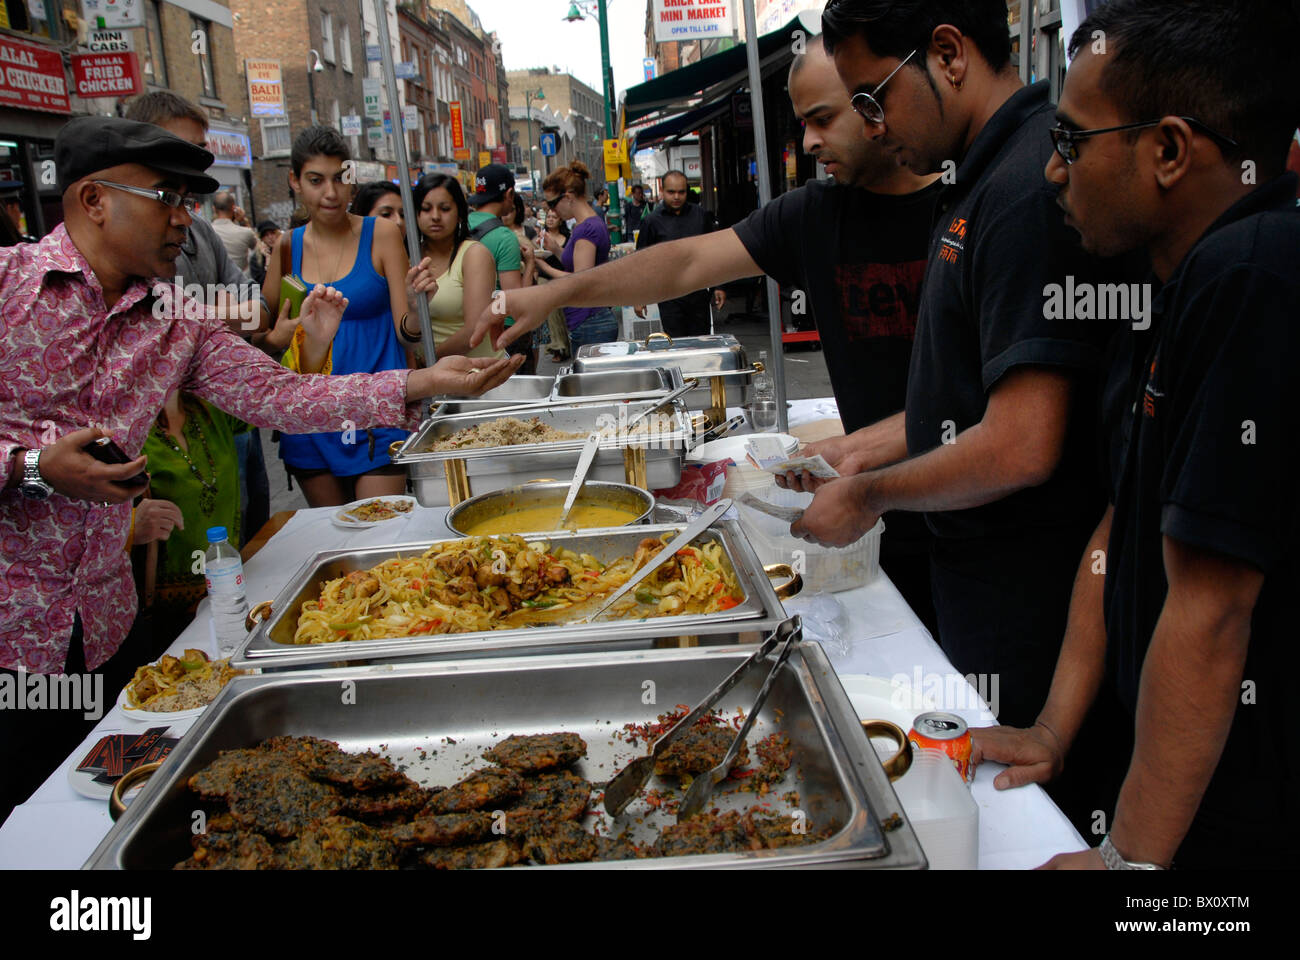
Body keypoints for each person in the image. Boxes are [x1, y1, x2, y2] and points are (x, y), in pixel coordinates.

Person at [0, 116, 521, 822]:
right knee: (19, 819)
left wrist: (424, 384)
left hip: (110, 628)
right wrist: (33, 468)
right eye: (167, 197)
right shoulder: (8, 291)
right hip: (14, 640)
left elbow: (283, 396)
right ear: (95, 199)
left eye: (189, 200)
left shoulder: (173, 319)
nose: (185, 220)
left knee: (106, 812)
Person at [972, 0, 1300, 870]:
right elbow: (1126, 524)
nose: (1051, 170)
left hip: (1241, 817)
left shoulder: (1254, 273)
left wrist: (1130, 866)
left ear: (1167, 150)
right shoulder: (1169, 278)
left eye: (1073, 141)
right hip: (1176, 788)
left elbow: (1213, 604)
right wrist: (1051, 727)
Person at [124, 92, 273, 547]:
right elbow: (154, 315)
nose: (197, 162)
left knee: (249, 535)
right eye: (183, 147)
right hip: (162, 440)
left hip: (227, 417)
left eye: (201, 151)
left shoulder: (199, 229)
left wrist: (192, 312)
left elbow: (259, 310)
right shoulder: (131, 243)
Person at [259, 127, 423, 507]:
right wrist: (276, 338)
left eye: (339, 179)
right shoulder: (286, 247)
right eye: (316, 180)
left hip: (377, 413)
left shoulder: (381, 234)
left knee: (379, 537)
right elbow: (264, 338)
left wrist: (415, 310)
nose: (330, 193)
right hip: (309, 419)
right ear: (295, 181)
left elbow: (406, 334)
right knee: (334, 544)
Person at [397, 173, 502, 361]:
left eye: (444, 209)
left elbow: (474, 330)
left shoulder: (474, 255)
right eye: (426, 209)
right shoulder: (407, 257)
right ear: (416, 214)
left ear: (459, 213)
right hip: (426, 379)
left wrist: (428, 362)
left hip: (475, 373)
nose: (435, 217)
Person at [633, 170, 726, 337]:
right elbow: (641, 260)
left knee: (701, 345)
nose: (676, 196)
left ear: (687, 191)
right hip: (669, 296)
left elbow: (714, 252)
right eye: (671, 192)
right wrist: (639, 296)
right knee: (676, 345)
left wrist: (719, 286)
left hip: (698, 293)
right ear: (663, 191)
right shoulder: (651, 221)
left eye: (681, 192)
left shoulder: (700, 216)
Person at [534, 161, 616, 351]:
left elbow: (580, 279)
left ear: (568, 197)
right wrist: (555, 249)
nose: (552, 211)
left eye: (553, 204)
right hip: (590, 318)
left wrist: (544, 268)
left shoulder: (586, 229)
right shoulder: (587, 224)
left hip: (590, 319)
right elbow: (579, 266)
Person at [466, 164, 531, 369]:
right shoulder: (504, 237)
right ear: (509, 193)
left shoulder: (459, 226)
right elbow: (512, 300)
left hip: (465, 331)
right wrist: (529, 265)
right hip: (502, 334)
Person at [210, 190, 257, 272]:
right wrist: (243, 221)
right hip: (240, 281)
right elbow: (259, 248)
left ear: (214, 209)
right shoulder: (245, 232)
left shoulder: (207, 231)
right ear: (234, 208)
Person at [249, 220, 281, 286]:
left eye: (272, 233)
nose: (270, 237)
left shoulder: (284, 250)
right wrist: (268, 262)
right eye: (266, 235)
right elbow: (259, 283)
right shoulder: (256, 258)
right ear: (261, 239)